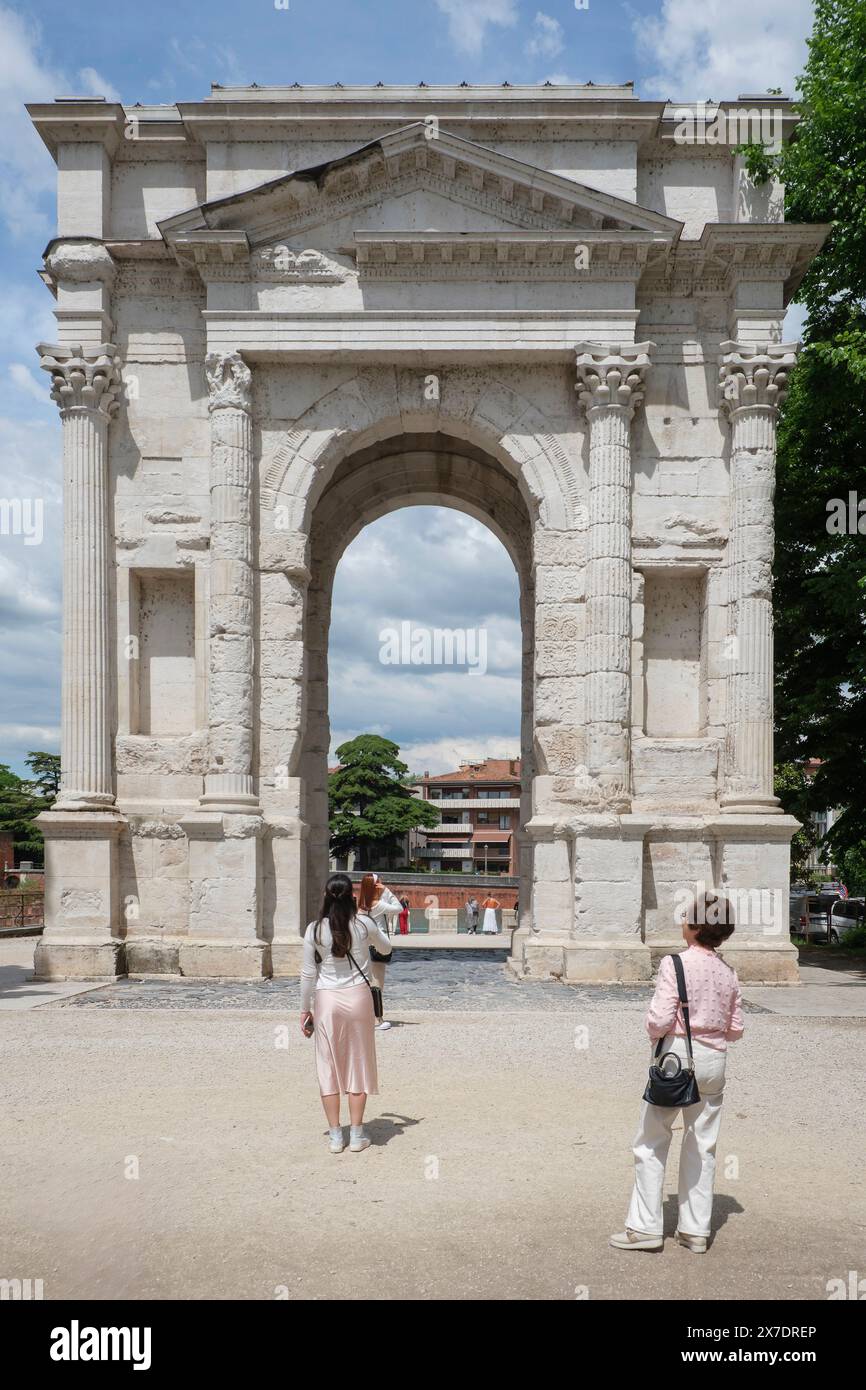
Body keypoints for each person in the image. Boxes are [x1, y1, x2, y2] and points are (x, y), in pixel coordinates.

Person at [610, 890, 744, 1253]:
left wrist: (655, 1031)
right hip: (715, 1060)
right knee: (702, 1145)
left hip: (677, 1059)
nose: (682, 920)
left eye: (686, 915)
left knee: (651, 1140)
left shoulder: (675, 964)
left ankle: (645, 1228)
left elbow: (659, 1018)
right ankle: (695, 1231)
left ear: (697, 926)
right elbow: (736, 1029)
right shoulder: (729, 973)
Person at [300, 872, 392, 1154]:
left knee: (328, 1065)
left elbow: (307, 973)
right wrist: (369, 913)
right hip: (358, 998)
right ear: (351, 896)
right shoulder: (363, 924)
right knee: (359, 1063)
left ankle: (335, 1137)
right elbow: (387, 948)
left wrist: (305, 1011)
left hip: (326, 1000)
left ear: (326, 897)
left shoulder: (314, 929)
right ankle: (357, 1134)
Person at [357, 872, 402, 1031]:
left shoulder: (359, 905)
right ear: (376, 886)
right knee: (377, 983)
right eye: (380, 883)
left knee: (365, 981)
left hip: (362, 946)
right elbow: (399, 908)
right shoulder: (379, 904)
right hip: (378, 945)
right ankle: (377, 1019)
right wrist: (387, 891)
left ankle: (363, 1016)